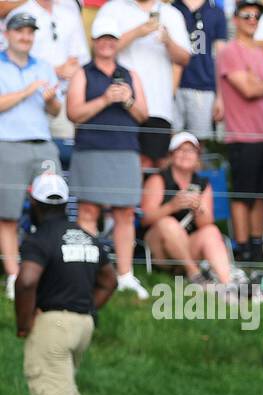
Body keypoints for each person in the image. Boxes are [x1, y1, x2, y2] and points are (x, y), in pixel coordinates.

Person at [14, 172, 117, 395]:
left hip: (54, 325)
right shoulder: (85, 236)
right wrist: (88, 306)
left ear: (35, 202)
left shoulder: (39, 239)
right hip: (83, 325)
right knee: (68, 394)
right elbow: (109, 280)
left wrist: (24, 323)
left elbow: (27, 280)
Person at [66, 17, 151, 300]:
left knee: (125, 212)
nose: (106, 43)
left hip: (125, 149)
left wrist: (127, 100)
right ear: (94, 42)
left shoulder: (131, 75)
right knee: (88, 211)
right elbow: (73, 114)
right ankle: (85, 271)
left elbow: (143, 116)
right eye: (101, 38)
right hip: (91, 148)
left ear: (117, 43)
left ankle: (125, 275)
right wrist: (104, 99)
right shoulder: (83, 73)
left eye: (111, 39)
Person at [0, 12, 60, 302]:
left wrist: (50, 101)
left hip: (43, 144)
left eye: (30, 32)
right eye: (20, 31)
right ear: (7, 33)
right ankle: (14, 276)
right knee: (8, 214)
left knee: (52, 209)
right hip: (8, 144)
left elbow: (55, 111)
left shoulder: (45, 67)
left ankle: (48, 270)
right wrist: (28, 90)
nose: (26, 37)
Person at [93, 0, 191, 167]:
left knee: (152, 167)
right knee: (120, 164)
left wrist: (168, 41)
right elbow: (99, 49)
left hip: (158, 106)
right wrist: (137, 32)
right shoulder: (112, 8)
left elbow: (184, 58)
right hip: (118, 105)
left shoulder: (171, 13)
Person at [218, 0, 263, 265]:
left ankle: (256, 244)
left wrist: (261, 83)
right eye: (246, 15)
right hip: (243, 134)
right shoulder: (230, 51)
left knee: (261, 195)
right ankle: (241, 246)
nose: (252, 20)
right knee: (243, 194)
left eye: (256, 16)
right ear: (236, 20)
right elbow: (249, 90)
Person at [140, 132, 238, 290]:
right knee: (167, 223)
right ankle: (195, 275)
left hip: (188, 245)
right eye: (180, 150)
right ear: (171, 155)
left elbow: (206, 223)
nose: (186, 154)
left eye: (191, 150)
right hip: (161, 250)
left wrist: (199, 208)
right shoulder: (158, 180)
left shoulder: (202, 183)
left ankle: (227, 283)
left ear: (197, 156)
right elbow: (145, 219)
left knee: (211, 231)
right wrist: (171, 206)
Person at [10, 0, 91, 153]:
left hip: (63, 98)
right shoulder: (20, 11)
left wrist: (70, 69)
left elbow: (81, 57)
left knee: (64, 155)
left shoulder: (70, 10)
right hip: (26, 98)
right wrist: (55, 70)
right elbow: (11, 57)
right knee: (25, 153)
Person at [174, 0, 228, 141]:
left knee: (199, 145)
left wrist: (220, 97)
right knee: (169, 143)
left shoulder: (216, 12)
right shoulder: (172, 9)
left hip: (204, 87)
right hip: (172, 87)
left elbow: (221, 57)